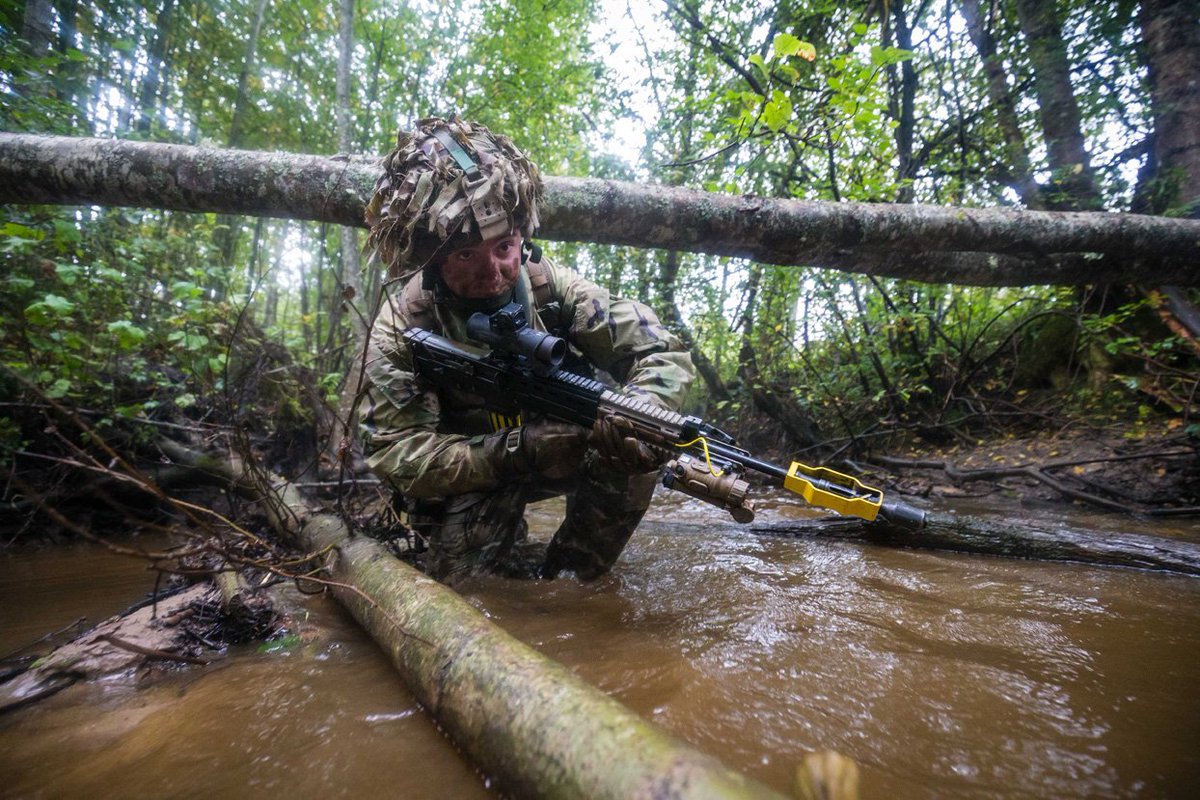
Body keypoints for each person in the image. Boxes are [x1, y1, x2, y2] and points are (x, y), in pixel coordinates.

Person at [360, 116, 695, 582]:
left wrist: (641, 409)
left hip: (562, 450)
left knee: (633, 448)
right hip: (473, 475)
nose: (493, 272)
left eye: (504, 247)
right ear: (432, 262)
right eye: (466, 255)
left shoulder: (552, 289)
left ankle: (573, 585)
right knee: (471, 590)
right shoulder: (402, 324)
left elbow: (661, 351)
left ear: (523, 239)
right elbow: (396, 452)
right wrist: (515, 450)